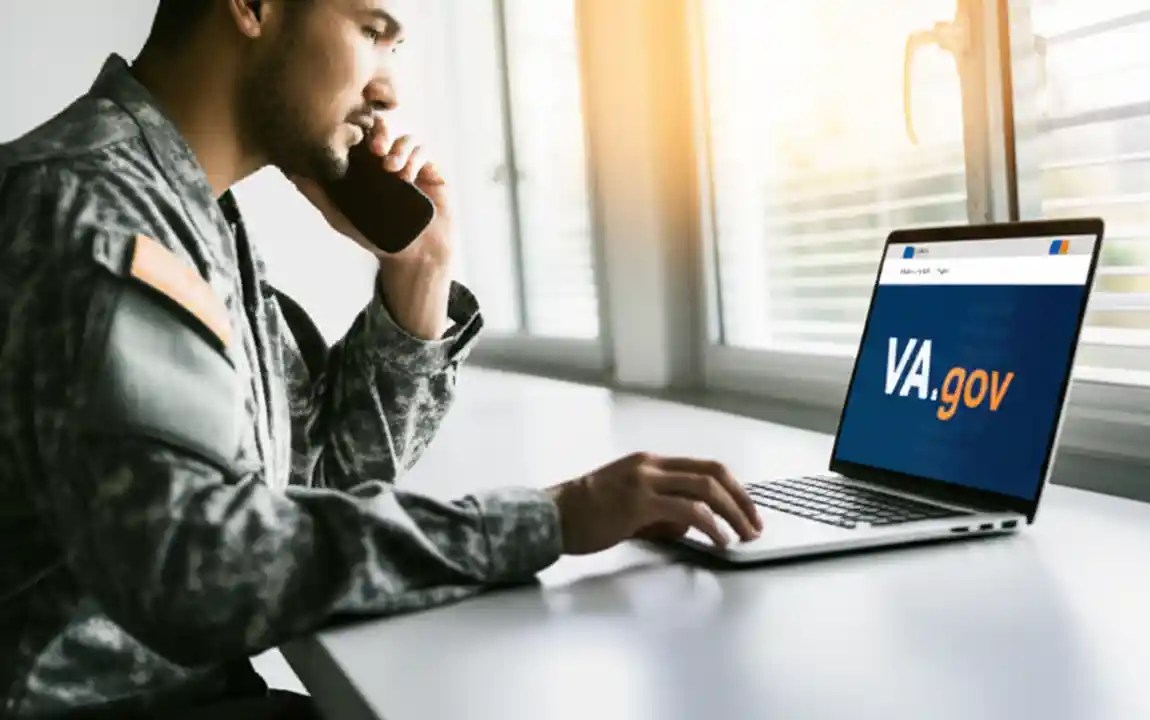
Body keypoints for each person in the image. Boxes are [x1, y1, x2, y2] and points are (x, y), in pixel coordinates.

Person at [0, 0, 763, 716]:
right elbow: (203, 569)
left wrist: (419, 276)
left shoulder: (192, 213)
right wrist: (553, 518)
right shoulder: (97, 213)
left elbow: (318, 480)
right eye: (372, 28)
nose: (389, 87)